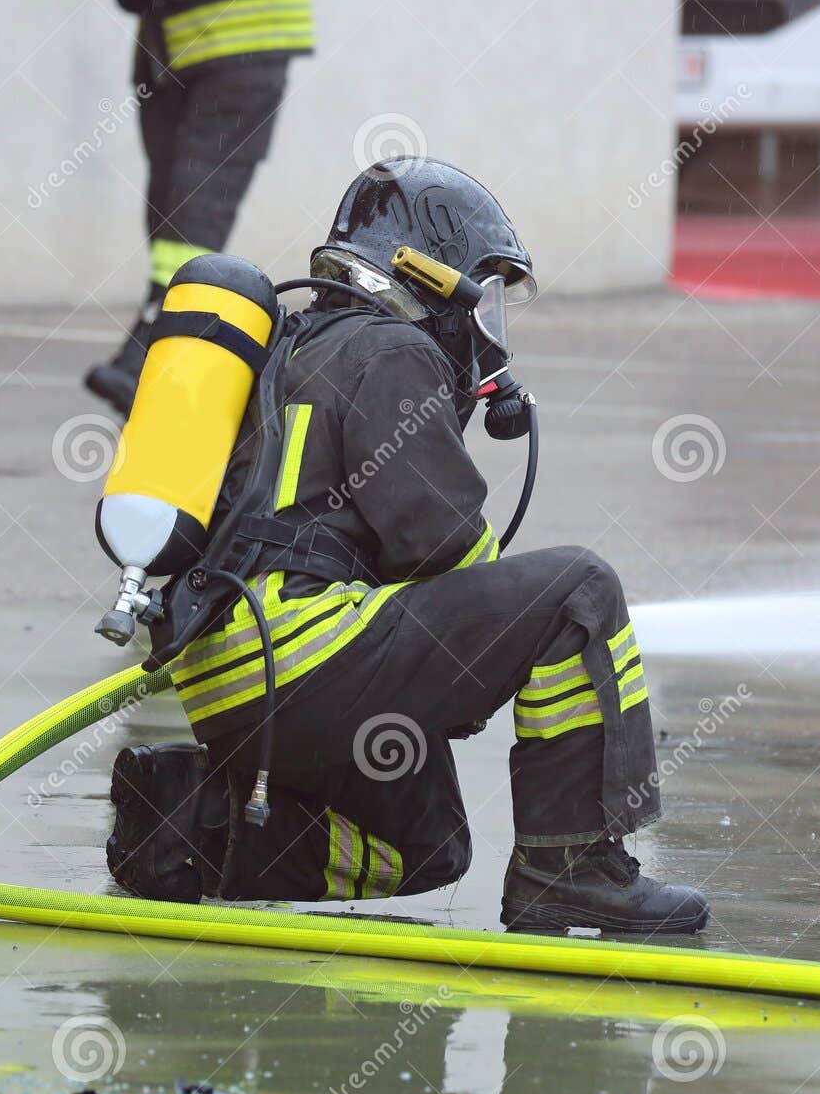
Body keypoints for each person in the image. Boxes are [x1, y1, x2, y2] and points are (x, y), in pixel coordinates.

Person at [105, 157, 711, 934]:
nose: (486, 324)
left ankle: (183, 830)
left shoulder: (289, 348)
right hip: (303, 653)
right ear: (425, 271)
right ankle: (573, 869)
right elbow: (441, 538)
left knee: (423, 846)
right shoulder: (388, 349)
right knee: (577, 594)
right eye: (482, 291)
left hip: (228, 682)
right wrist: (500, 637)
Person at [86, 0, 315, 416]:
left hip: (239, 37)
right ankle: (160, 346)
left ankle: (154, 347)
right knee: (171, 203)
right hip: (177, 45)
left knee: (197, 202)